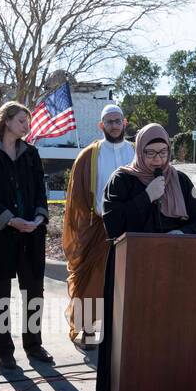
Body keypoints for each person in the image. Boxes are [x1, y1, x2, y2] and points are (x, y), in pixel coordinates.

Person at [94, 123, 196, 391]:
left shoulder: (182, 180)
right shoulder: (121, 179)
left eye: (163, 152)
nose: (158, 159)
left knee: (167, 339)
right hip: (130, 272)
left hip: (172, 273)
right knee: (129, 340)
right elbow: (113, 225)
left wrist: (181, 232)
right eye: (150, 152)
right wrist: (146, 196)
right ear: (139, 150)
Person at [0, 101, 53, 370]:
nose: (26, 126)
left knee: (33, 292)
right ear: (5, 121)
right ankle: (4, 351)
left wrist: (39, 217)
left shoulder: (31, 153)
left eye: (27, 121)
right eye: (21, 120)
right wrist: (10, 220)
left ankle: (34, 344)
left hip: (31, 235)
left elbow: (41, 189)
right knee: (0, 296)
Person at [62, 104, 133, 349]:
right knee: (92, 281)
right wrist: (85, 227)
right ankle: (88, 331)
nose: (114, 125)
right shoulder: (89, 155)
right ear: (101, 125)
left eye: (118, 121)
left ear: (125, 123)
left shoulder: (136, 151)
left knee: (126, 282)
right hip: (97, 228)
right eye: (109, 121)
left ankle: (121, 333)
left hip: (130, 229)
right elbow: (77, 197)